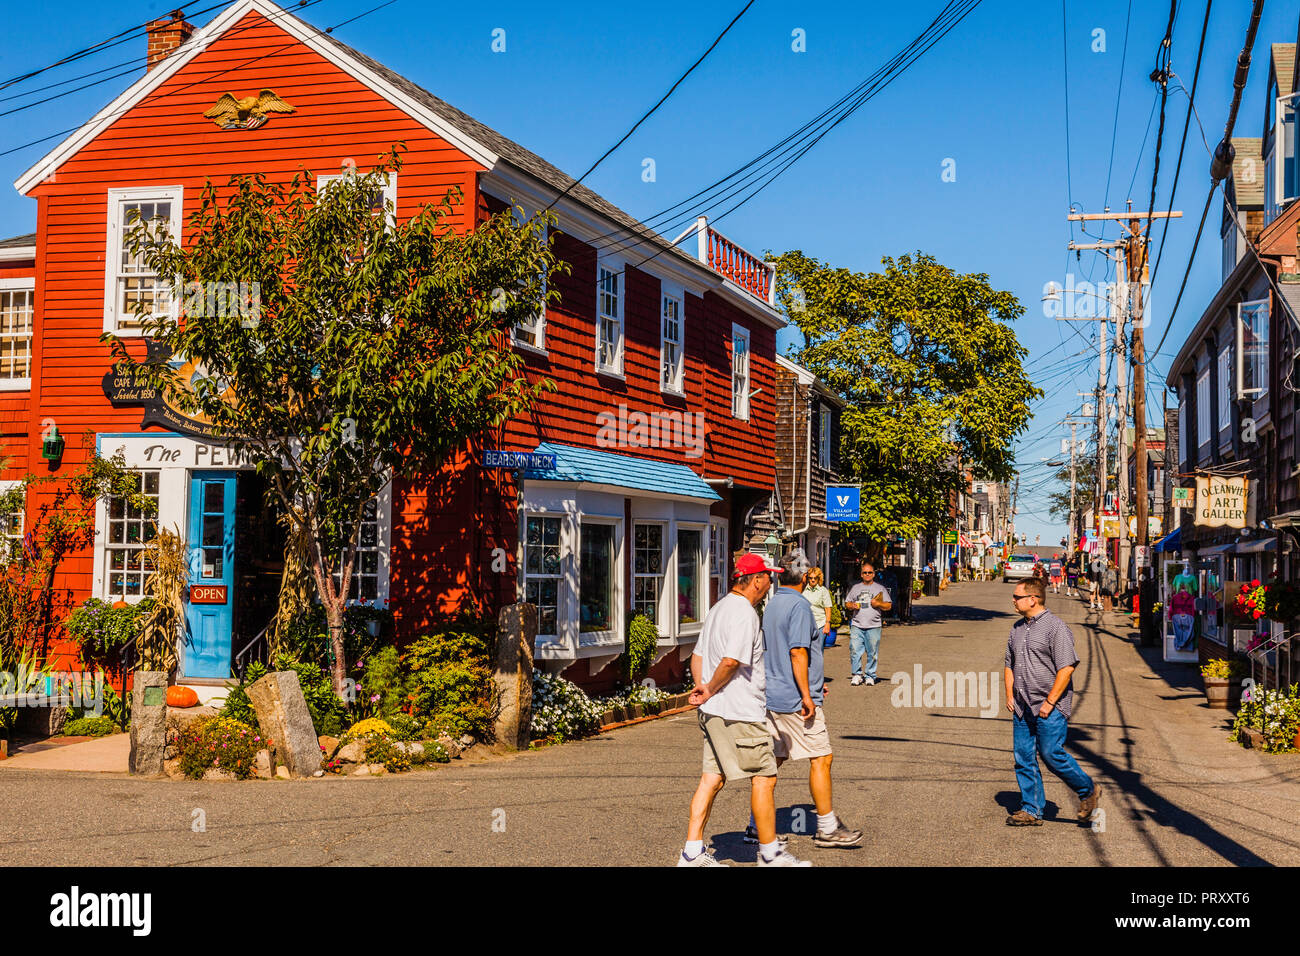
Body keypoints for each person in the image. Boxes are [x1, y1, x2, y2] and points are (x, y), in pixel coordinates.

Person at [679, 552, 810, 867]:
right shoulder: (744, 614)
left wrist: (703, 688)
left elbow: (697, 656)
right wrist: (709, 688)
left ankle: (692, 852)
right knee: (764, 778)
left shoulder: (717, 609)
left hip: (714, 712)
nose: (770, 582)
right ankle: (770, 854)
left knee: (712, 778)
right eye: (768, 576)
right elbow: (731, 662)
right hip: (741, 712)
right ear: (756, 579)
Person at [743, 549, 863, 849]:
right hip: (794, 699)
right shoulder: (799, 607)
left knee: (774, 759)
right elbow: (797, 652)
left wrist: (814, 682)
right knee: (822, 757)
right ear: (806, 578)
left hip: (773, 692)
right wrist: (807, 694)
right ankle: (826, 827)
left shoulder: (772, 605)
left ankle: (757, 825)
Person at [1003, 577, 1100, 827]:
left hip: (1049, 706)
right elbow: (1009, 664)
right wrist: (1009, 694)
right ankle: (1032, 809)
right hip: (1023, 706)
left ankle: (1088, 789)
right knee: (1023, 756)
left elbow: (1066, 668)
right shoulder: (1016, 629)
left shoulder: (1056, 627)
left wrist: (1050, 701)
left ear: (1033, 599)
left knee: (1051, 754)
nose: (1013, 601)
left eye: (1017, 597)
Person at [844, 559, 892, 686]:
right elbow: (847, 603)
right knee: (854, 650)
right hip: (857, 624)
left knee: (872, 652)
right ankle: (857, 674)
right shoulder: (855, 588)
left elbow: (888, 606)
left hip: (874, 625)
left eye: (869, 572)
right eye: (865, 573)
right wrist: (852, 605)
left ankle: (870, 675)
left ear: (873, 574)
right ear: (861, 574)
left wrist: (879, 604)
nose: (867, 575)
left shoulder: (880, 588)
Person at [802, 566, 833, 645]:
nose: (812, 580)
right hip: (805, 625)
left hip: (820, 625)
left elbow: (828, 608)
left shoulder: (823, 591)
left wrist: (827, 624)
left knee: (818, 652)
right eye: (810, 578)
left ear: (819, 578)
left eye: (815, 578)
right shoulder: (803, 590)